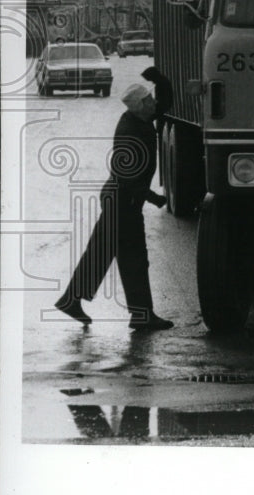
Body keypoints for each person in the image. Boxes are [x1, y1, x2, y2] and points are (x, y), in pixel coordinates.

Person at [55, 78, 174, 331]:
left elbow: (165, 106)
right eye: (150, 99)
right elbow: (127, 176)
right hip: (123, 201)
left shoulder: (138, 119)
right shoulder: (129, 132)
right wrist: (155, 198)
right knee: (133, 258)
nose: (155, 103)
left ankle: (73, 300)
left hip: (121, 200)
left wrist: (162, 81)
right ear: (140, 105)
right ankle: (141, 315)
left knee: (105, 254)